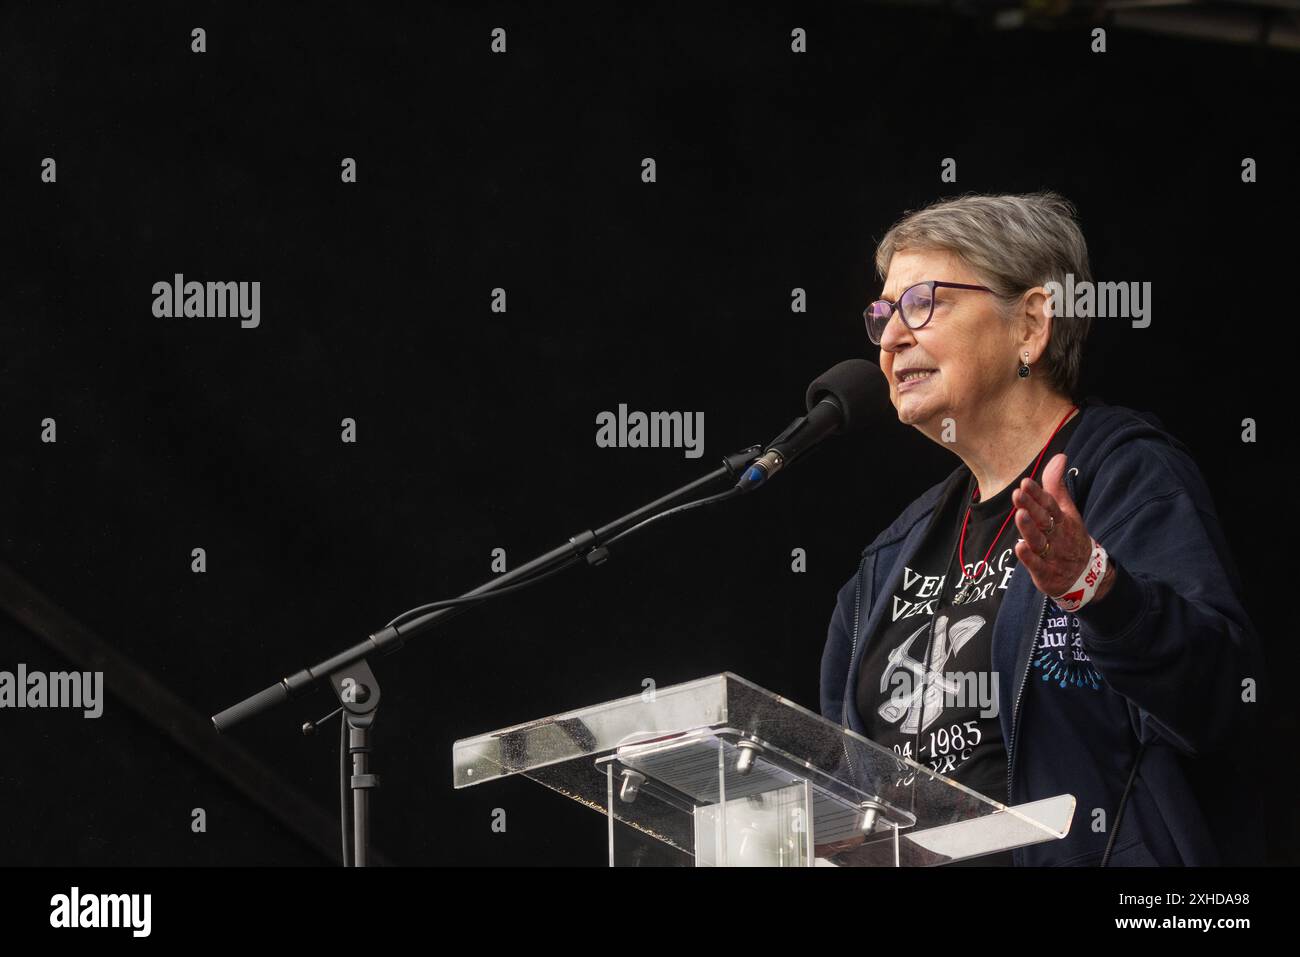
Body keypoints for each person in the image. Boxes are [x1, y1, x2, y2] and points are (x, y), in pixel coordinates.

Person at [819, 192, 1264, 866]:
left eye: (923, 304)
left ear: (1029, 323)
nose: (891, 338)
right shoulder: (884, 563)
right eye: (883, 314)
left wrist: (1097, 589)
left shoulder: (1126, 475)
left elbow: (1222, 699)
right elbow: (836, 793)